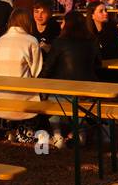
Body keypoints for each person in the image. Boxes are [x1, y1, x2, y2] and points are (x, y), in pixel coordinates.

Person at [41, 8, 100, 148]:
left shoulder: (60, 41)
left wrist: (39, 82)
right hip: (88, 92)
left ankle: (57, 134)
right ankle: (80, 131)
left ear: (67, 24)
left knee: (50, 100)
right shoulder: (92, 40)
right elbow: (98, 64)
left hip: (63, 93)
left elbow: (48, 68)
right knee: (79, 106)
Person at [0, 6, 44, 138]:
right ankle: (25, 128)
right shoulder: (31, 41)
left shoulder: (0, 41)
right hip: (23, 95)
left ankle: (0, 126)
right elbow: (36, 71)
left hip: (0, 93)